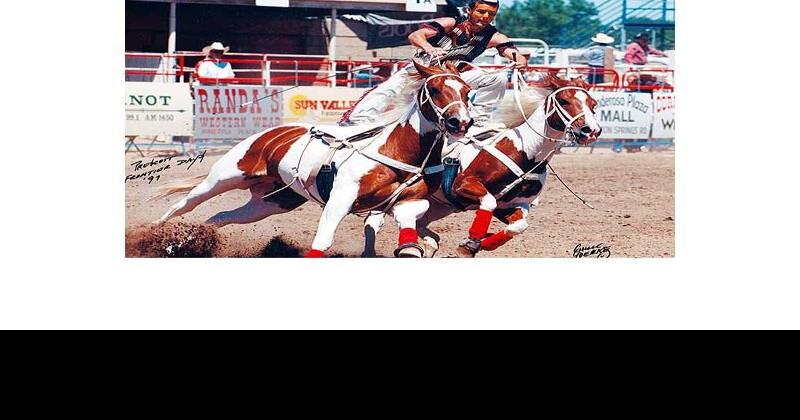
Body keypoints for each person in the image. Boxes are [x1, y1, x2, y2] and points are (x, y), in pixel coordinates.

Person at [343, 0, 527, 128]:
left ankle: (478, 122)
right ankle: (355, 122)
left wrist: (519, 59)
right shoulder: (450, 22)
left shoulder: (492, 36)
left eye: (491, 14)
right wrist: (429, 48)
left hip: (452, 79)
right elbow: (415, 36)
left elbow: (512, 52)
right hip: (421, 72)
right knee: (388, 89)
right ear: (470, 10)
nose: (486, 16)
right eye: (481, 11)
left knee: (497, 78)